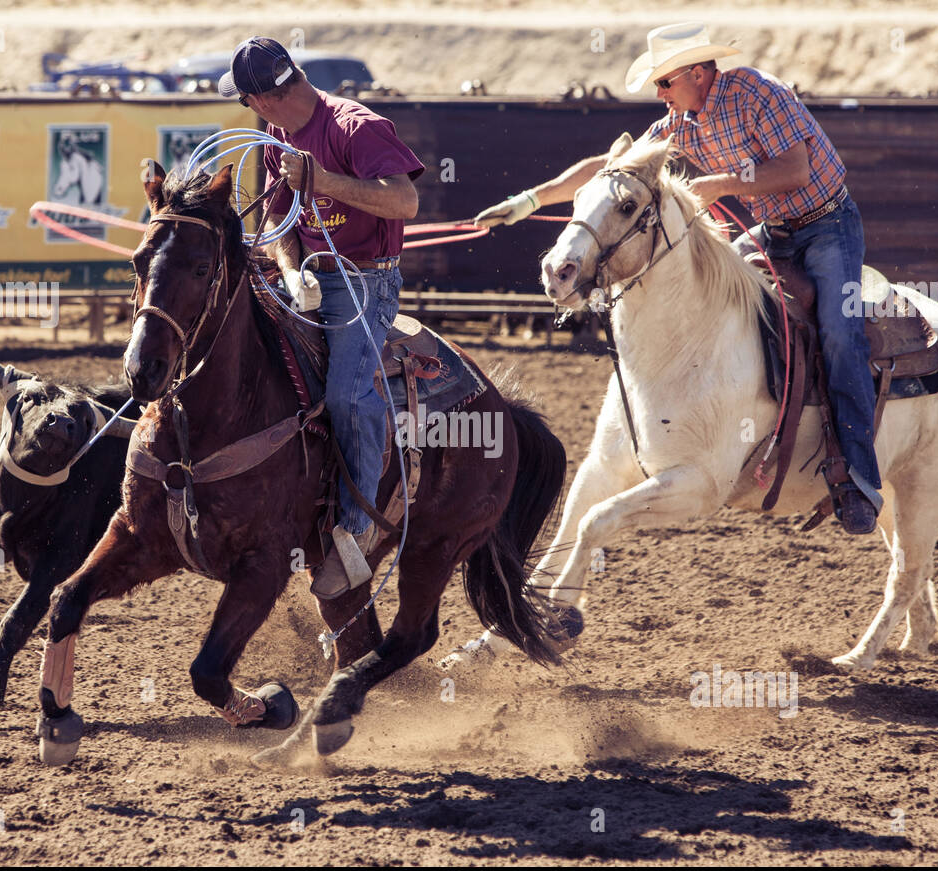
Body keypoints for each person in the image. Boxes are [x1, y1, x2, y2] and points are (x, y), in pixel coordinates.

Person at [473, 22, 881, 534]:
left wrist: (718, 184)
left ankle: (859, 479)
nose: (659, 94)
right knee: (720, 302)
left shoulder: (759, 93)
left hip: (828, 227)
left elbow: (797, 170)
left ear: (697, 72)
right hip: (773, 231)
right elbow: (608, 167)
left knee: (842, 335)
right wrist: (529, 200)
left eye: (664, 83)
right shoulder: (679, 120)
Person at [218, 36, 426, 597]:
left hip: (365, 281)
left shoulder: (356, 127)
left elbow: (404, 203)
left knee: (346, 394)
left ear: (259, 100)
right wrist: (289, 274)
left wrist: (325, 182)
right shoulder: (273, 136)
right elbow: (279, 220)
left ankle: (355, 533)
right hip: (308, 276)